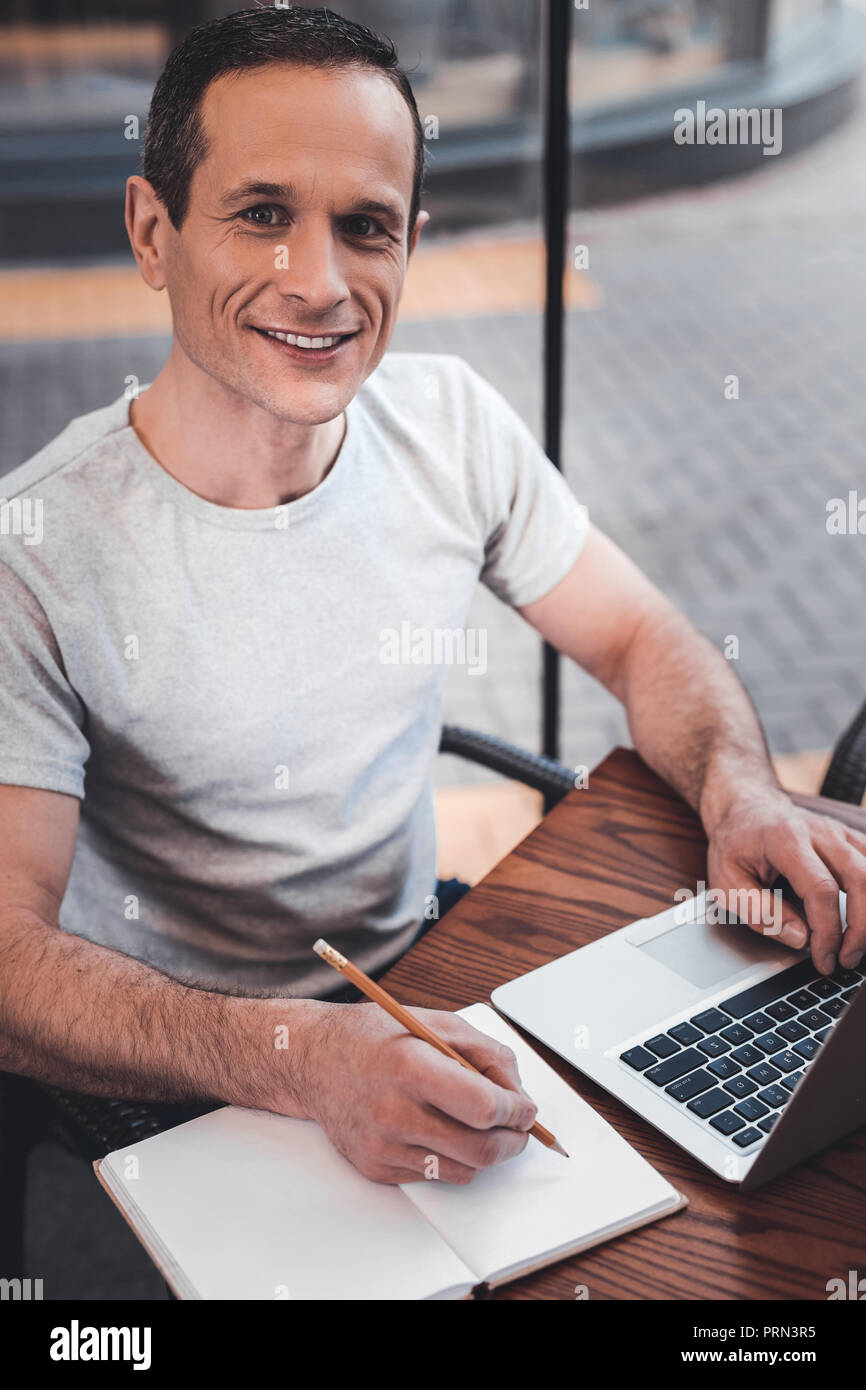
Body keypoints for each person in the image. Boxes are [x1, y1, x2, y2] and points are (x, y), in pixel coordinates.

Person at [0, 7, 862, 1188]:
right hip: (180, 1058)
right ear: (154, 233)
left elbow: (637, 634)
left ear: (411, 240)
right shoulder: (34, 548)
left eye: (364, 228)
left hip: (423, 966)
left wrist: (739, 790)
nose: (319, 283)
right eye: (262, 215)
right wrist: (305, 1057)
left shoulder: (448, 421)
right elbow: (9, 965)